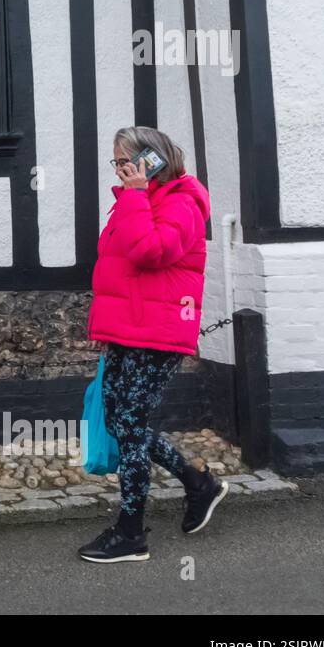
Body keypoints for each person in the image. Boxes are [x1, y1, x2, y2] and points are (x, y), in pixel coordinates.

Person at [78, 126, 229, 563]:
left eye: (128, 161)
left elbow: (150, 252)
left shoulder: (182, 202)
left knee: (128, 424)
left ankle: (130, 534)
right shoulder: (139, 200)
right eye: (118, 163)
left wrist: (135, 194)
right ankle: (198, 483)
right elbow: (117, 265)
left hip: (158, 332)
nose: (123, 169)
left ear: (154, 159)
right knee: (119, 419)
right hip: (128, 328)